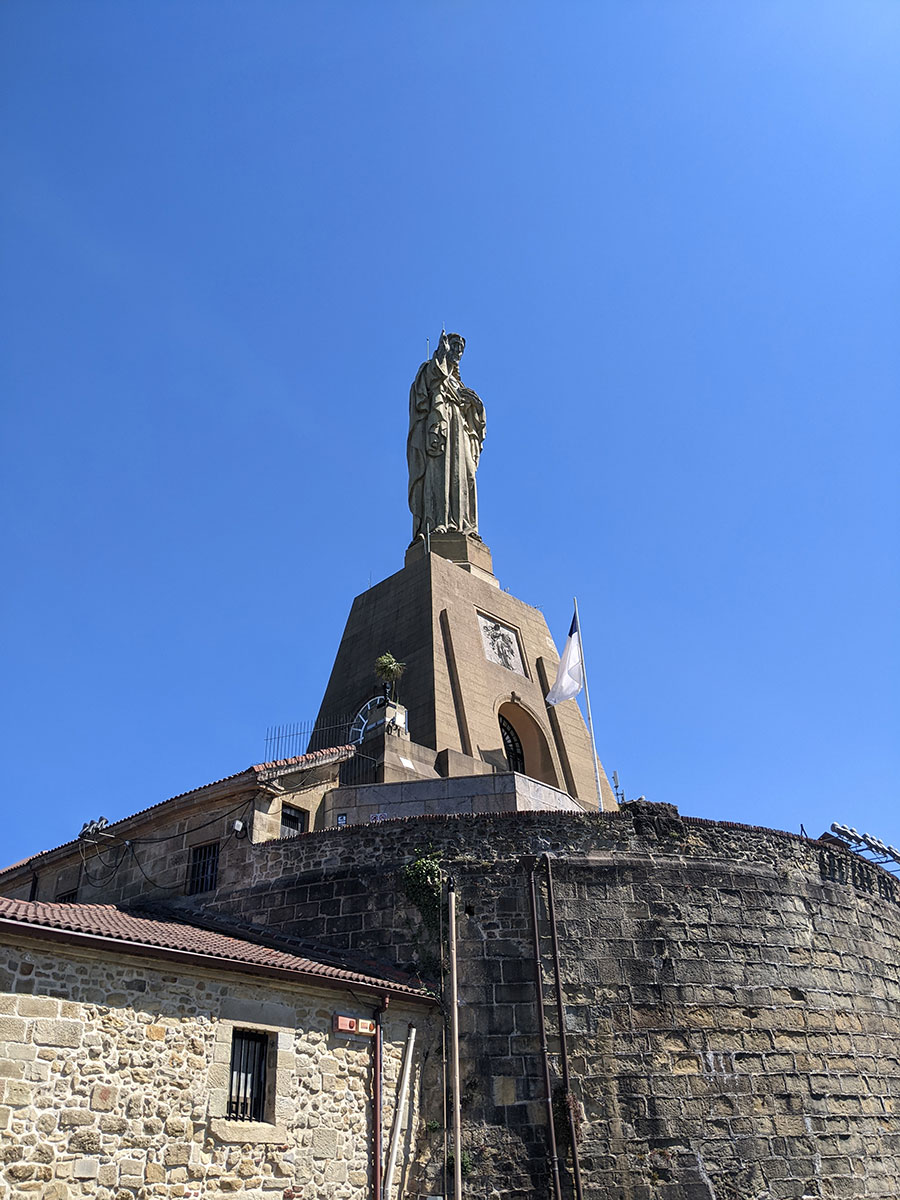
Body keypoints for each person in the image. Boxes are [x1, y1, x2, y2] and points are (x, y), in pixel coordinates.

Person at [407, 332, 486, 541]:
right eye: (455, 345)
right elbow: (425, 387)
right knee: (440, 473)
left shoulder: (460, 387)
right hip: (440, 431)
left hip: (460, 431)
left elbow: (477, 424)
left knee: (467, 474)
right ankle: (437, 523)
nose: (458, 351)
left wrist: (476, 406)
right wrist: (439, 356)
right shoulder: (430, 370)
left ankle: (466, 526)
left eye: (461, 347)